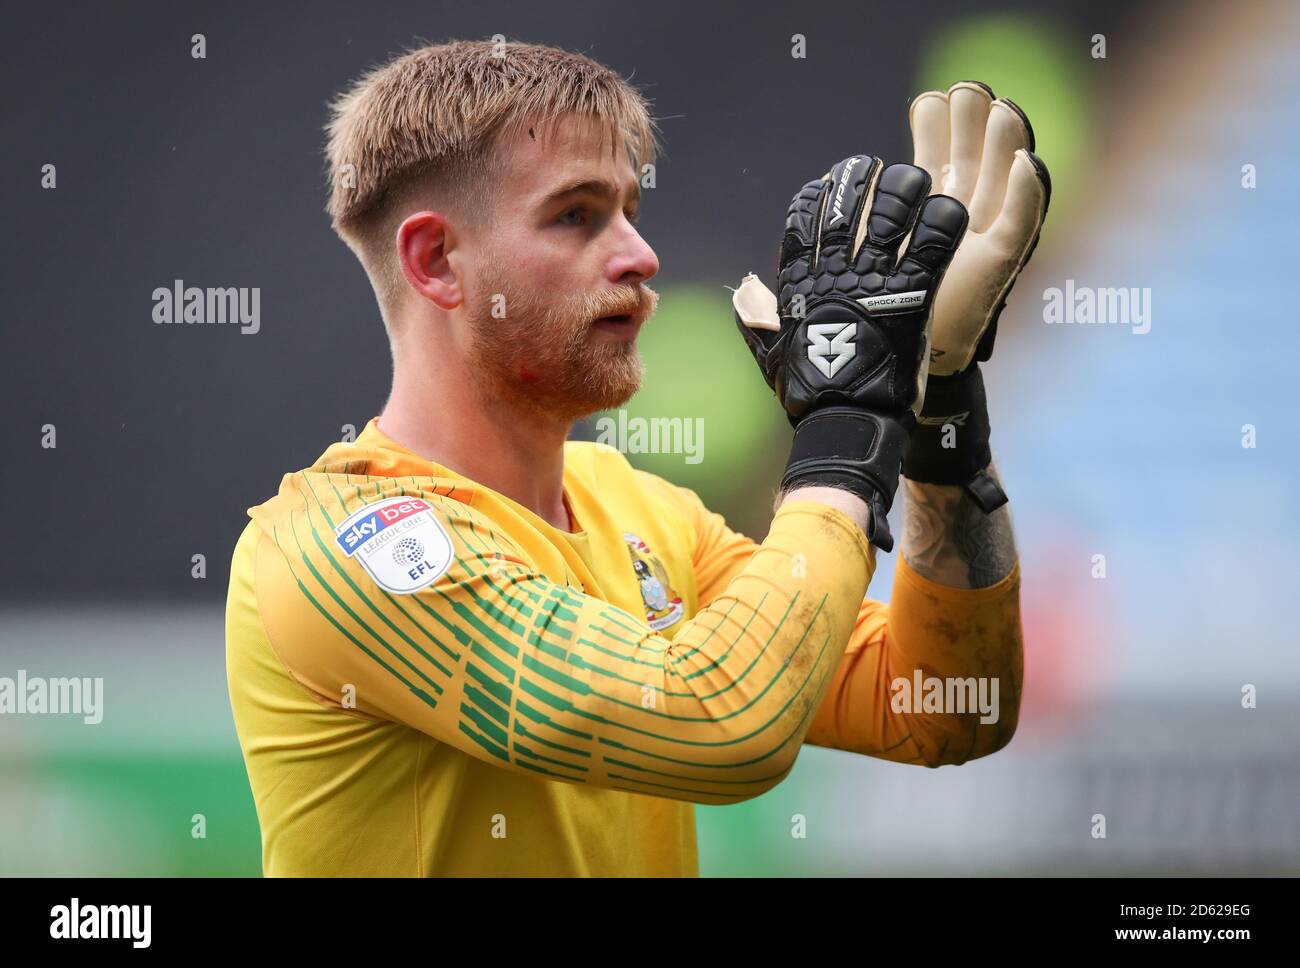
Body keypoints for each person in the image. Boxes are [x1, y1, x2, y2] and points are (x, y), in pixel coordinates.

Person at [225, 40, 1047, 876]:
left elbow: (945, 708)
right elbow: (722, 724)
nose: (639, 257)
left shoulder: (641, 507)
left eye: (629, 213)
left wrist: (938, 407)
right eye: (575, 215)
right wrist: (848, 424)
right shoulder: (343, 546)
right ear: (436, 261)